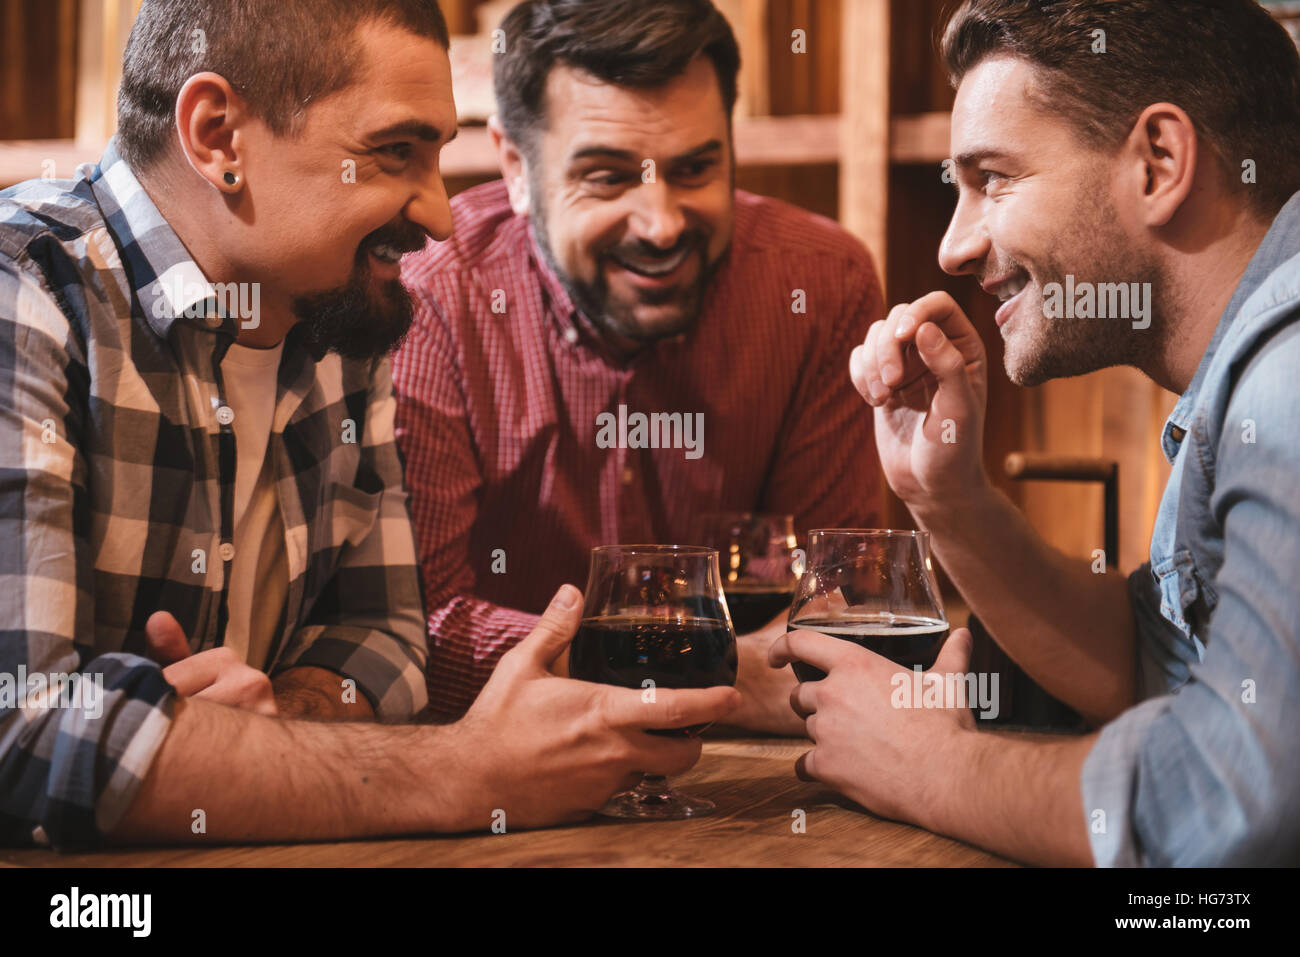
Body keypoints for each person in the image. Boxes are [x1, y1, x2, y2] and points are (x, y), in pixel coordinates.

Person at [0, 0, 737, 850]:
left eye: (437, 159)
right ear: (217, 136)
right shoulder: (28, 296)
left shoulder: (336, 316)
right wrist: (473, 769)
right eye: (394, 154)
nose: (440, 214)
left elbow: (384, 641)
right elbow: (26, 725)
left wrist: (267, 739)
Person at [773, 0, 1300, 865]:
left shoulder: (1286, 381)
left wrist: (932, 768)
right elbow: (1153, 665)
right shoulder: (1246, 369)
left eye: (994, 179)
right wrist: (945, 498)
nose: (952, 244)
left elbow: (1229, 800)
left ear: (1159, 162)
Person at [392, 0, 886, 730]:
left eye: (695, 168)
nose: (661, 224)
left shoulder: (820, 287)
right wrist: (724, 674)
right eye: (608, 177)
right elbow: (416, 634)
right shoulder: (431, 293)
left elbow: (835, 610)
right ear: (515, 168)